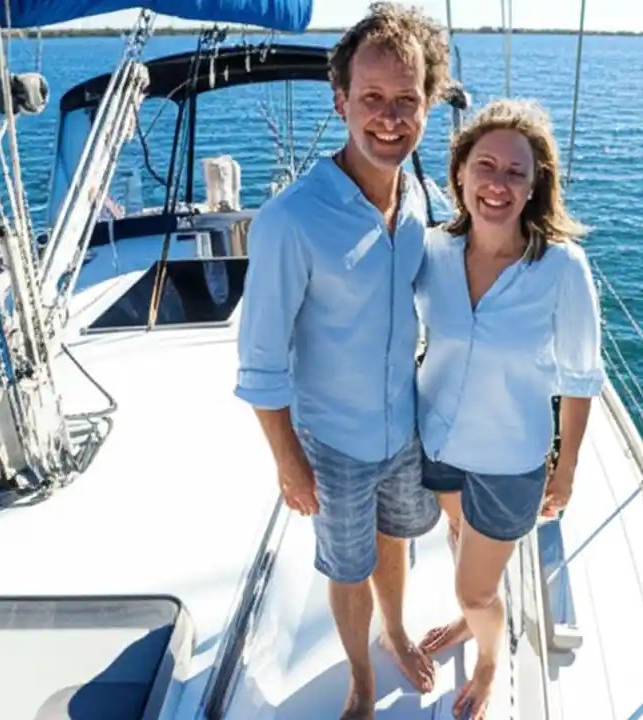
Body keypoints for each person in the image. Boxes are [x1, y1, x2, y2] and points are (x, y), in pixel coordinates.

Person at [233, 4, 451, 718]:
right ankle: (360, 678)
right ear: (341, 103)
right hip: (333, 444)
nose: (389, 119)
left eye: (406, 102)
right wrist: (287, 461)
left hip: (406, 430)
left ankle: (395, 631)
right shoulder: (292, 220)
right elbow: (261, 360)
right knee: (348, 567)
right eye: (372, 100)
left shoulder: (420, 198)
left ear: (428, 104)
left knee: (397, 543)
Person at [414, 98, 605, 719]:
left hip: (507, 460)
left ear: (533, 187)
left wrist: (567, 466)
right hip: (435, 442)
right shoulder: (431, 252)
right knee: (455, 536)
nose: (497, 183)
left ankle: (490, 654)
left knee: (475, 585)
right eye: (485, 166)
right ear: (460, 175)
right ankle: (474, 618)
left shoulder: (561, 269)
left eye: (515, 173)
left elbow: (580, 378)